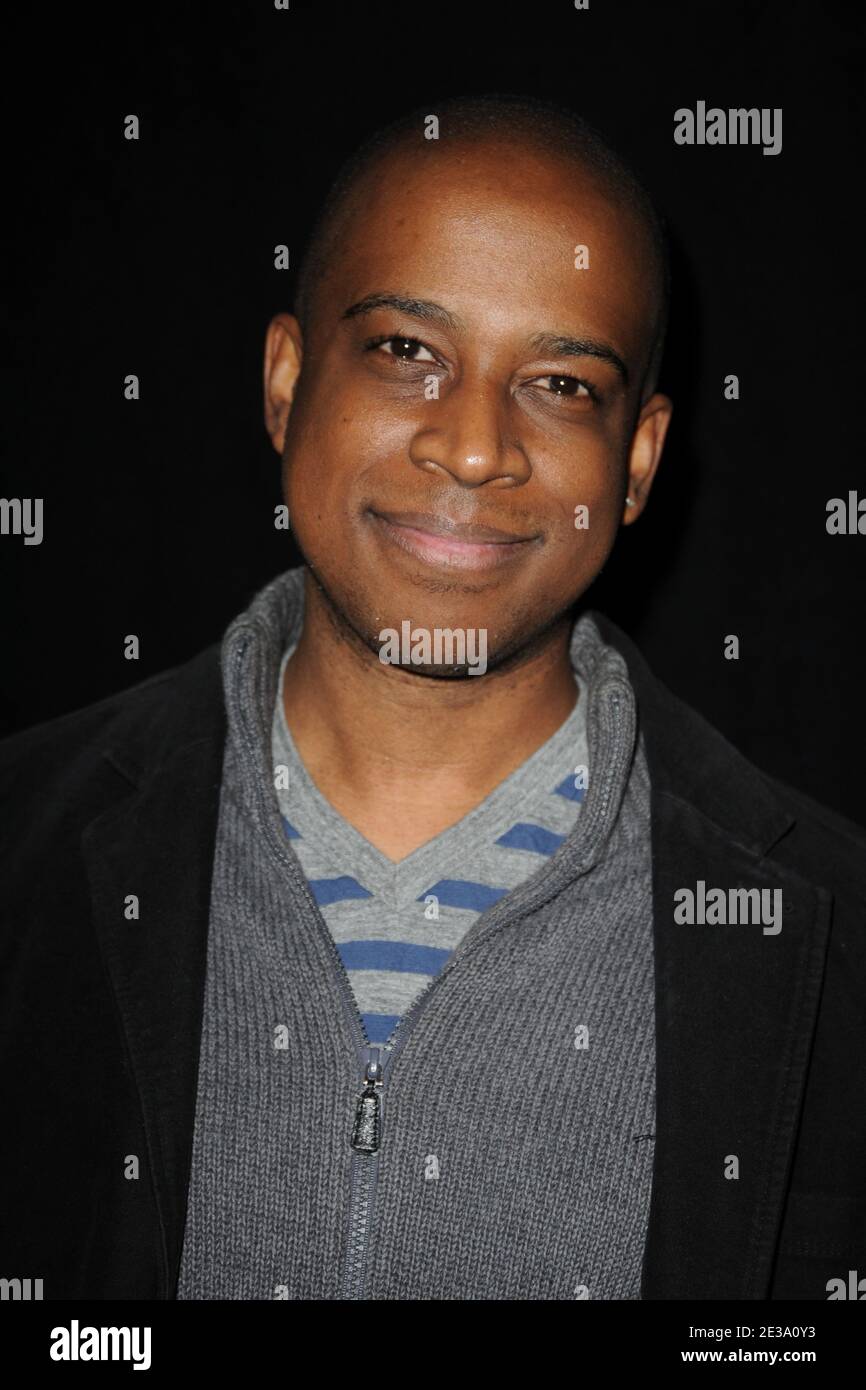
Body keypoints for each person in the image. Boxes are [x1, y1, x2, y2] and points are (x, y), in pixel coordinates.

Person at [1, 94, 864, 1302]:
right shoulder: (22, 842)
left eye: (559, 383)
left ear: (637, 462)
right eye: (408, 352)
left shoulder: (829, 935)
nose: (472, 448)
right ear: (286, 382)